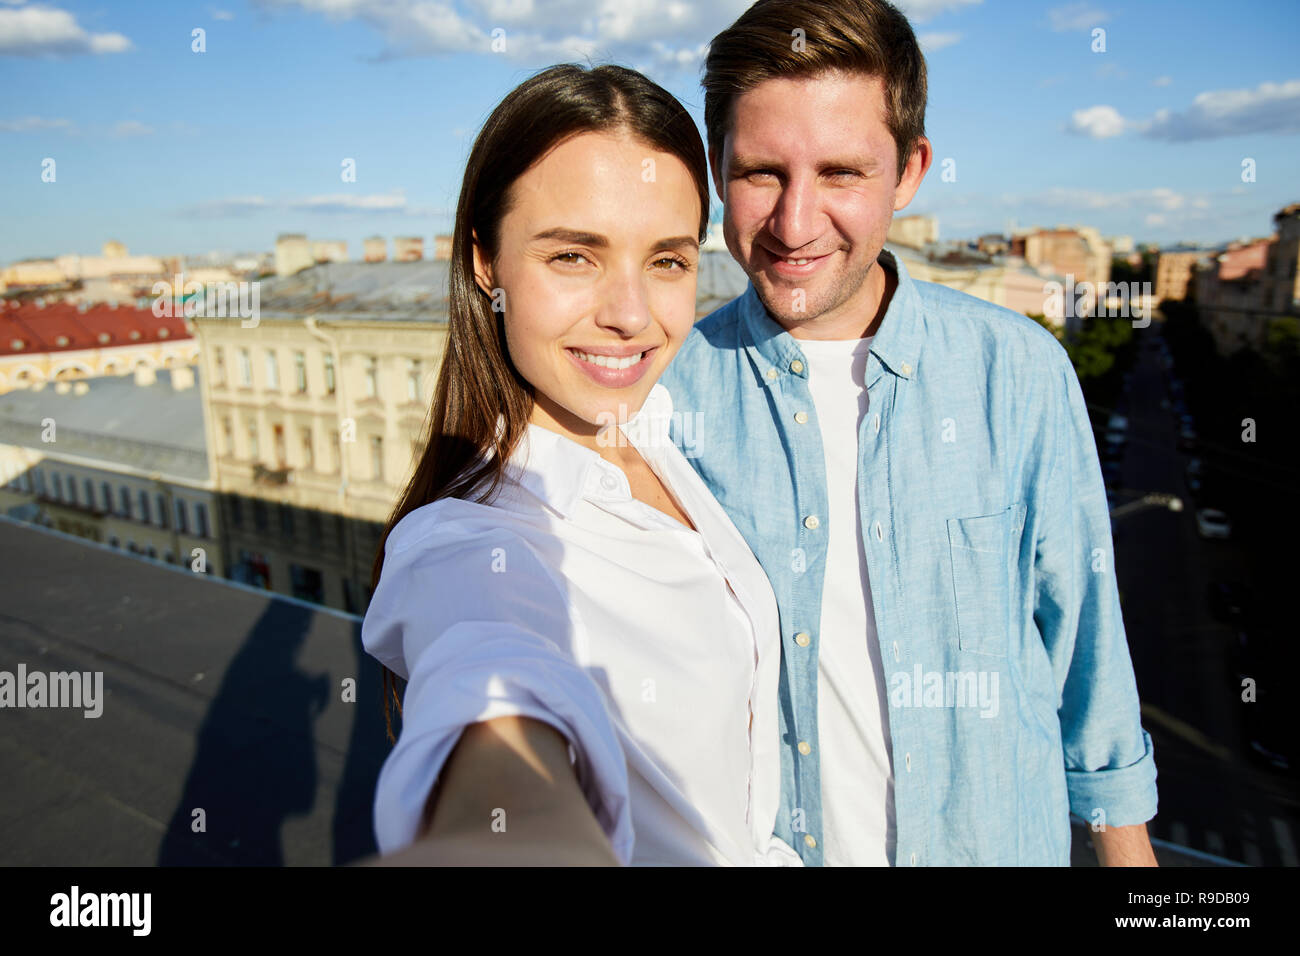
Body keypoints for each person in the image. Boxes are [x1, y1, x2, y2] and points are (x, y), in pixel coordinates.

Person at [656, 0, 1158, 866]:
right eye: (762, 172)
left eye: (843, 172)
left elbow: (1086, 646)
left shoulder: (1018, 371)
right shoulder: (667, 394)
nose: (795, 222)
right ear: (716, 168)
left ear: (911, 171)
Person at [359, 63, 802, 867]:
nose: (631, 316)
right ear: (486, 263)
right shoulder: (471, 541)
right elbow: (494, 680)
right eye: (574, 256)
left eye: (667, 261)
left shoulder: (660, 433)